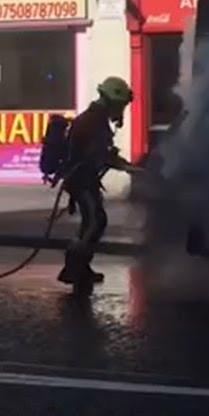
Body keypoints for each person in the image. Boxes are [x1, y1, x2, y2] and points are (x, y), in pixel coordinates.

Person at [57, 75, 142, 286]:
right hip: (81, 180)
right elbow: (100, 155)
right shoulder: (93, 121)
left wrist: (125, 165)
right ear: (111, 101)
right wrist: (126, 167)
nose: (121, 110)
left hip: (84, 178)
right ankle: (74, 268)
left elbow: (101, 153)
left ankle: (79, 267)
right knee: (95, 222)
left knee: (92, 221)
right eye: (121, 105)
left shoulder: (95, 118)